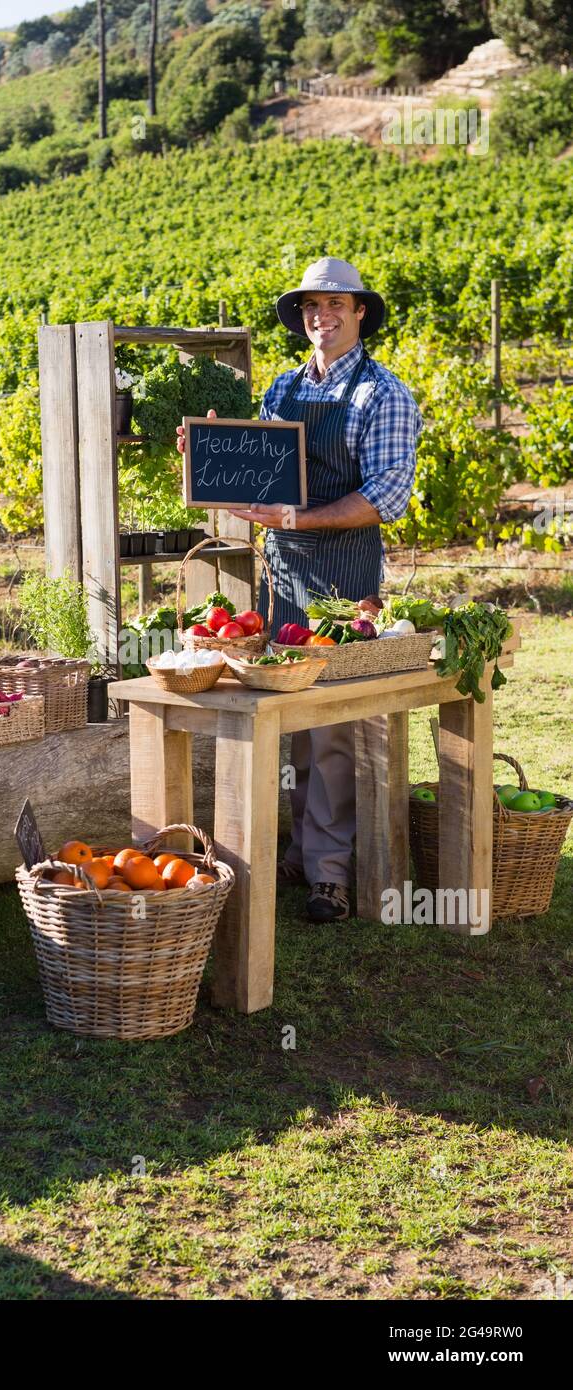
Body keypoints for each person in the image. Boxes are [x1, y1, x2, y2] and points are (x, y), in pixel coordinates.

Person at [177, 257, 422, 922]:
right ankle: (304, 851)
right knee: (288, 713)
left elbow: (386, 496)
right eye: (312, 306)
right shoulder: (282, 390)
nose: (323, 316)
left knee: (334, 724)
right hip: (283, 568)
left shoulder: (383, 395)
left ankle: (331, 874)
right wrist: (202, 452)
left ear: (360, 312)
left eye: (336, 305)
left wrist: (302, 518)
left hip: (344, 574)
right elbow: (257, 477)